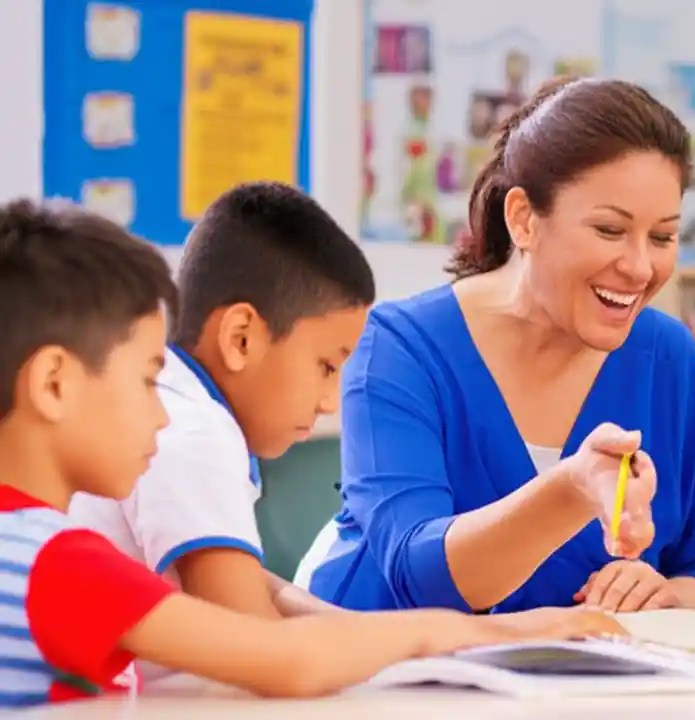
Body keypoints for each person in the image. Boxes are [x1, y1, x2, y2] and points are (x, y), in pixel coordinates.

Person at [0, 199, 620, 708]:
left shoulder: (32, 549)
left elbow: (252, 593)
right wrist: (479, 632)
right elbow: (276, 660)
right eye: (144, 378)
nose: (159, 413)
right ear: (54, 384)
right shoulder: (67, 559)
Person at [300, 76, 695, 614]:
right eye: (609, 230)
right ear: (523, 219)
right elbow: (420, 578)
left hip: (582, 690)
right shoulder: (398, 348)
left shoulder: (669, 357)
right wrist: (573, 490)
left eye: (662, 237)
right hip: (382, 678)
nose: (640, 267)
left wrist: (671, 593)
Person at [69, 182, 372, 625]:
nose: (330, 402)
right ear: (240, 338)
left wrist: (363, 631)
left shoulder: (177, 403)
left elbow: (255, 585)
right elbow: (257, 644)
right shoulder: (194, 432)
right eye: (326, 366)